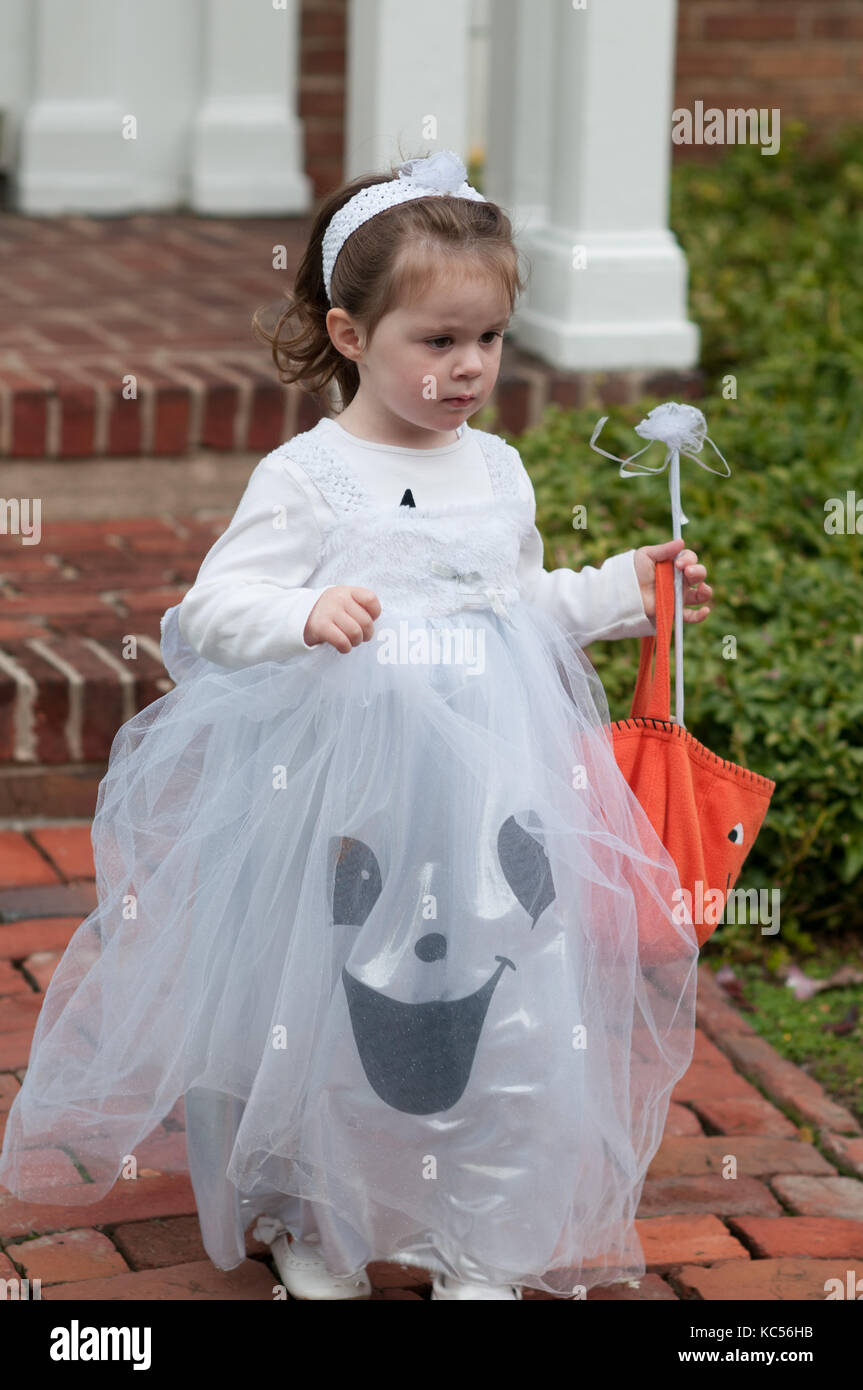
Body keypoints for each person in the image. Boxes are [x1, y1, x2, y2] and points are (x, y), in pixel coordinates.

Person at [0, 150, 713, 1301]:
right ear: (347, 332)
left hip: (482, 801)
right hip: (347, 808)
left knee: (502, 999)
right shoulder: (310, 477)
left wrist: (623, 591)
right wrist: (301, 610)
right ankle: (319, 1217)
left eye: (486, 338)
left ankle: (477, 1229)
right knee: (333, 1000)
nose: (467, 367)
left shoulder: (498, 471)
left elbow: (518, 603)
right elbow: (212, 612)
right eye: (435, 341)